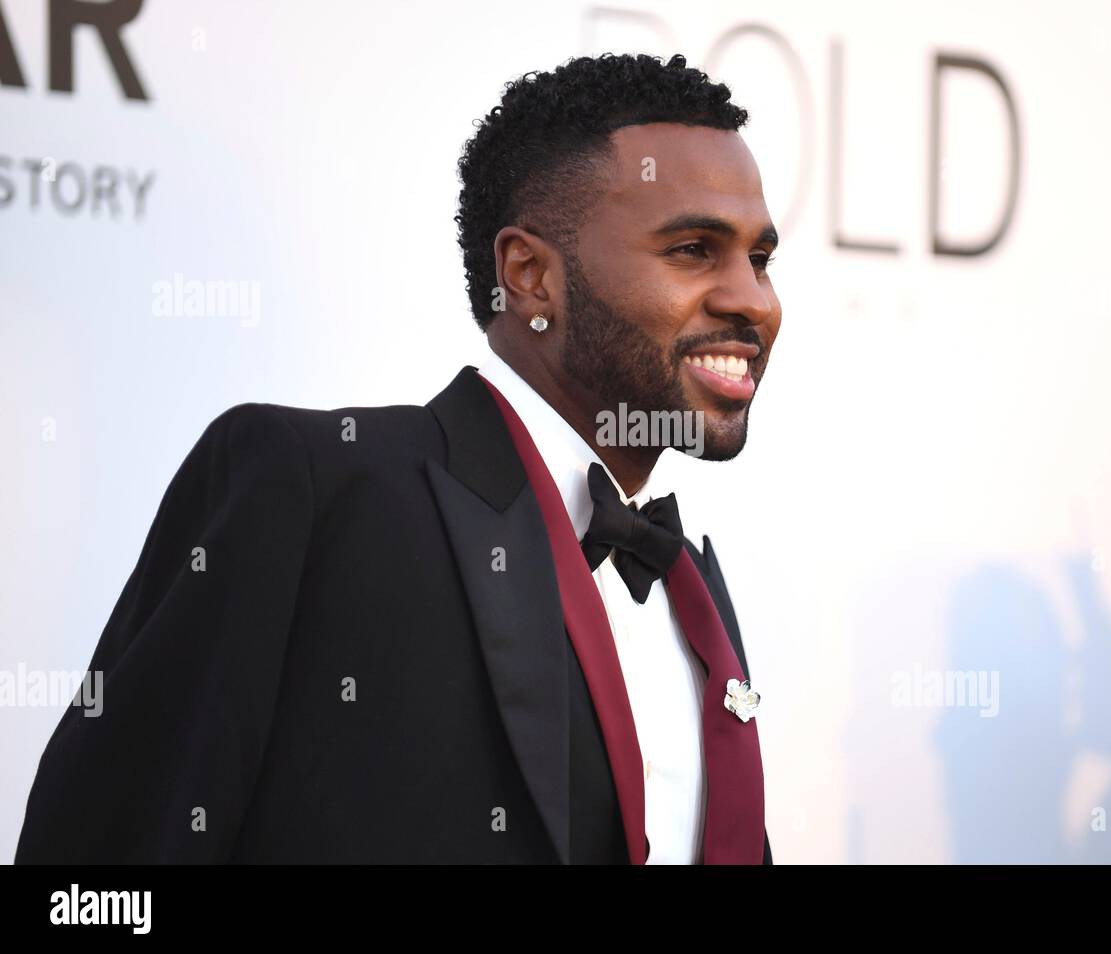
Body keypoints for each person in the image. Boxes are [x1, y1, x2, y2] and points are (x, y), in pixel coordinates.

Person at [15, 51, 781, 864]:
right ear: (529, 277)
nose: (753, 299)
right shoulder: (310, 489)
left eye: (761, 260)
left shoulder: (689, 586)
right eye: (695, 249)